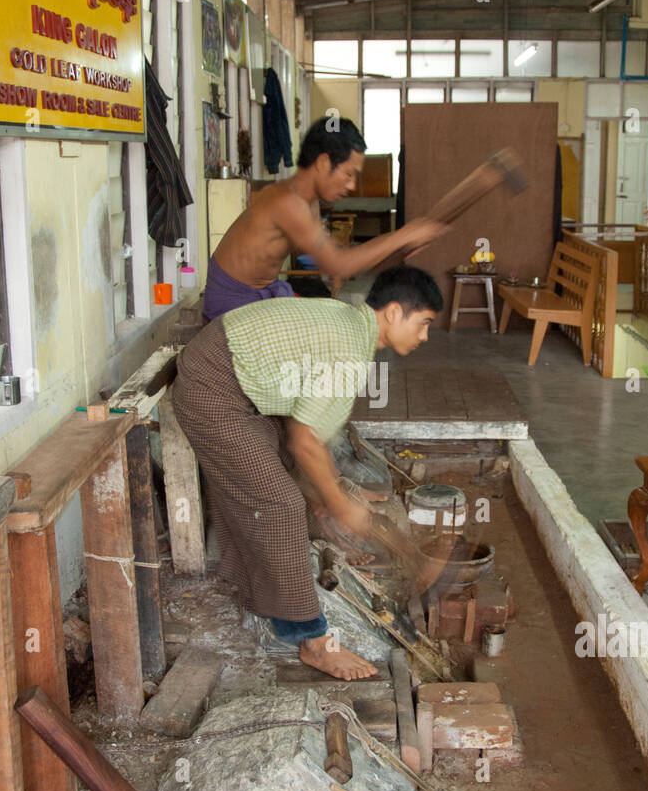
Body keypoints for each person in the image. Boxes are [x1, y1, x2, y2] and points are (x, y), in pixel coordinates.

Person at [173, 265, 444, 680]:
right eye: (423, 324)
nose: (425, 337)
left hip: (231, 377)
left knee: (284, 475)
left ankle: (267, 579)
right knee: (279, 503)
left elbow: (305, 442)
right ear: (393, 313)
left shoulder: (350, 324)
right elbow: (305, 440)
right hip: (212, 388)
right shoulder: (349, 353)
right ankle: (313, 641)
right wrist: (340, 505)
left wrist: (334, 491)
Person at [202, 117, 445, 320]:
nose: (351, 185)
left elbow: (334, 255)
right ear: (323, 162)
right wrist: (402, 235)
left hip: (260, 292)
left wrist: (398, 247)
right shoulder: (288, 202)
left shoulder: (308, 201)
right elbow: (339, 265)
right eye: (349, 174)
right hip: (232, 304)